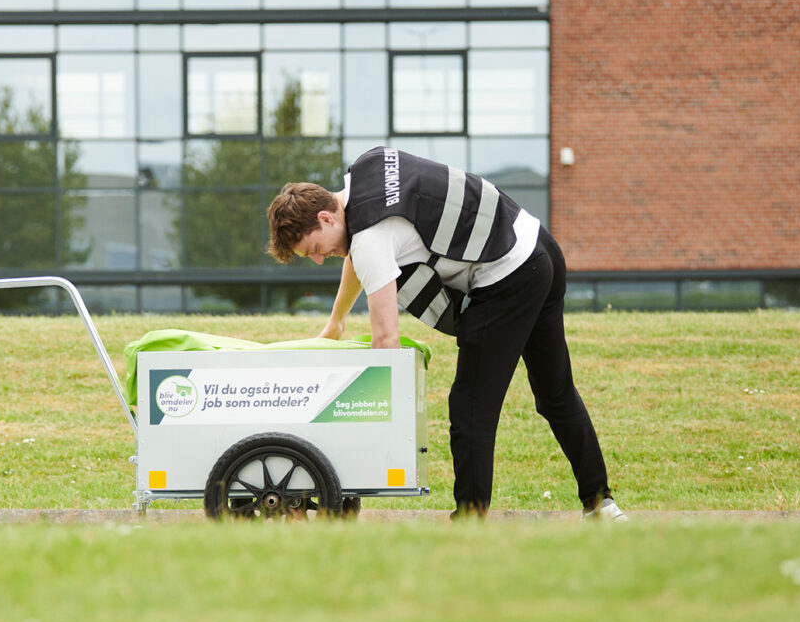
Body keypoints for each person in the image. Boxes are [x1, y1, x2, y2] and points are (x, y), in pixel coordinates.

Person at [266, 146, 626, 521]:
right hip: (537, 244)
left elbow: (386, 339)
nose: (321, 258)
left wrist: (374, 414)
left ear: (325, 217)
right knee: (556, 393)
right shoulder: (368, 168)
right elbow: (360, 250)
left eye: (316, 249)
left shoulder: (369, 240)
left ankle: (470, 522)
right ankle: (602, 505)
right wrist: (336, 322)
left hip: (508, 276)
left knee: (471, 408)